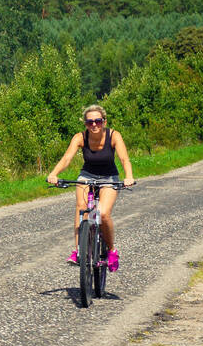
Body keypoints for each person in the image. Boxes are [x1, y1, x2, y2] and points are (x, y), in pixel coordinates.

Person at [47, 104, 136, 270]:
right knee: (82, 208)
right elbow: (67, 158)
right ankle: (78, 250)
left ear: (104, 121)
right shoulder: (80, 137)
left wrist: (128, 177)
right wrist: (54, 174)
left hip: (109, 177)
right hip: (87, 176)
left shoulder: (114, 135)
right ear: (85, 124)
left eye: (98, 121)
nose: (94, 125)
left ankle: (111, 251)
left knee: (103, 213)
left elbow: (124, 159)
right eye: (90, 122)